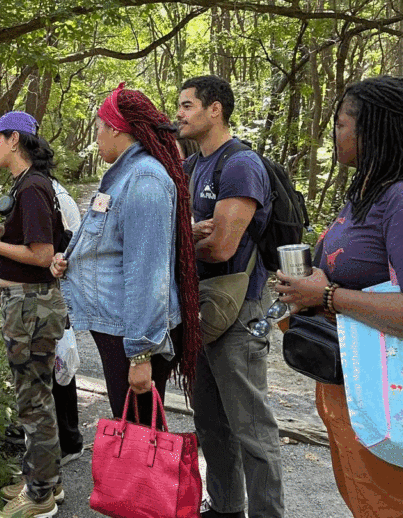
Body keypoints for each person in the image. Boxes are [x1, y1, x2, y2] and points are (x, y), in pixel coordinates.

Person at [276, 75, 403, 518]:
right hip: (355, 392)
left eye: (339, 124)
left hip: (400, 403)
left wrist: (330, 295)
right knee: (365, 504)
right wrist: (312, 289)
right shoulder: (368, 193)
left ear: (372, 130)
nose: (332, 134)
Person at [54, 83, 200, 427]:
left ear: (116, 129)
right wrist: (70, 260)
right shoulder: (123, 177)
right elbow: (110, 242)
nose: (97, 137)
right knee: (136, 432)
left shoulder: (144, 180)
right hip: (121, 331)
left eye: (99, 128)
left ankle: (146, 486)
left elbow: (147, 272)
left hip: (131, 336)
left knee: (141, 438)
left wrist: (141, 355)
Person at [176, 75, 283, 518]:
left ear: (214, 109)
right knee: (211, 423)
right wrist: (189, 235)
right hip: (203, 309)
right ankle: (225, 509)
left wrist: (187, 238)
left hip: (241, 311)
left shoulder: (240, 165)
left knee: (252, 429)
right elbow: (185, 232)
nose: (178, 114)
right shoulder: (190, 167)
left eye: (187, 105)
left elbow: (222, 247)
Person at [0, 111, 67, 518]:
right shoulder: (28, 186)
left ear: (14, 139)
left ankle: (39, 496)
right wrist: (1, 233)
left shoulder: (32, 189)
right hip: (25, 301)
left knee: (33, 401)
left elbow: (43, 255)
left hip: (31, 307)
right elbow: (31, 241)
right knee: (37, 395)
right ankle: (46, 480)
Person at [5, 178, 84, 466]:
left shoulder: (43, 194)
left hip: (51, 294)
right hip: (46, 294)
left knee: (56, 375)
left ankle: (66, 445)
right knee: (53, 374)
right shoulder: (39, 191)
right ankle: (55, 451)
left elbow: (55, 249)